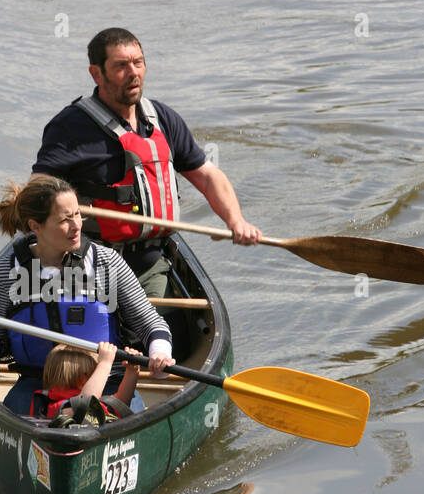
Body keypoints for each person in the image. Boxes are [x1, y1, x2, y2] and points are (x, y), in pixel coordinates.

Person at [33, 26, 262, 296]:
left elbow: (208, 176)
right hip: (89, 267)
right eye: (121, 66)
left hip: (150, 265)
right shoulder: (70, 127)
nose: (133, 73)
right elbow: (39, 190)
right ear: (96, 73)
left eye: (138, 63)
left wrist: (236, 221)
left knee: (155, 335)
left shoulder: (162, 118)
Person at [0, 174, 174, 414]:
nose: (77, 225)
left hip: (106, 381)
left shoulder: (106, 262)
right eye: (64, 220)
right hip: (35, 385)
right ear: (35, 226)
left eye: (77, 214)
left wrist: (160, 354)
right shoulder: (7, 271)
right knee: (14, 415)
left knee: (115, 417)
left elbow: (150, 324)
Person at [29, 340, 141, 423]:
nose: (98, 375)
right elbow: (84, 405)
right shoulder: (56, 407)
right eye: (94, 371)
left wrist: (131, 371)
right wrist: (105, 364)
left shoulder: (92, 401)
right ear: (83, 377)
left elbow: (119, 403)